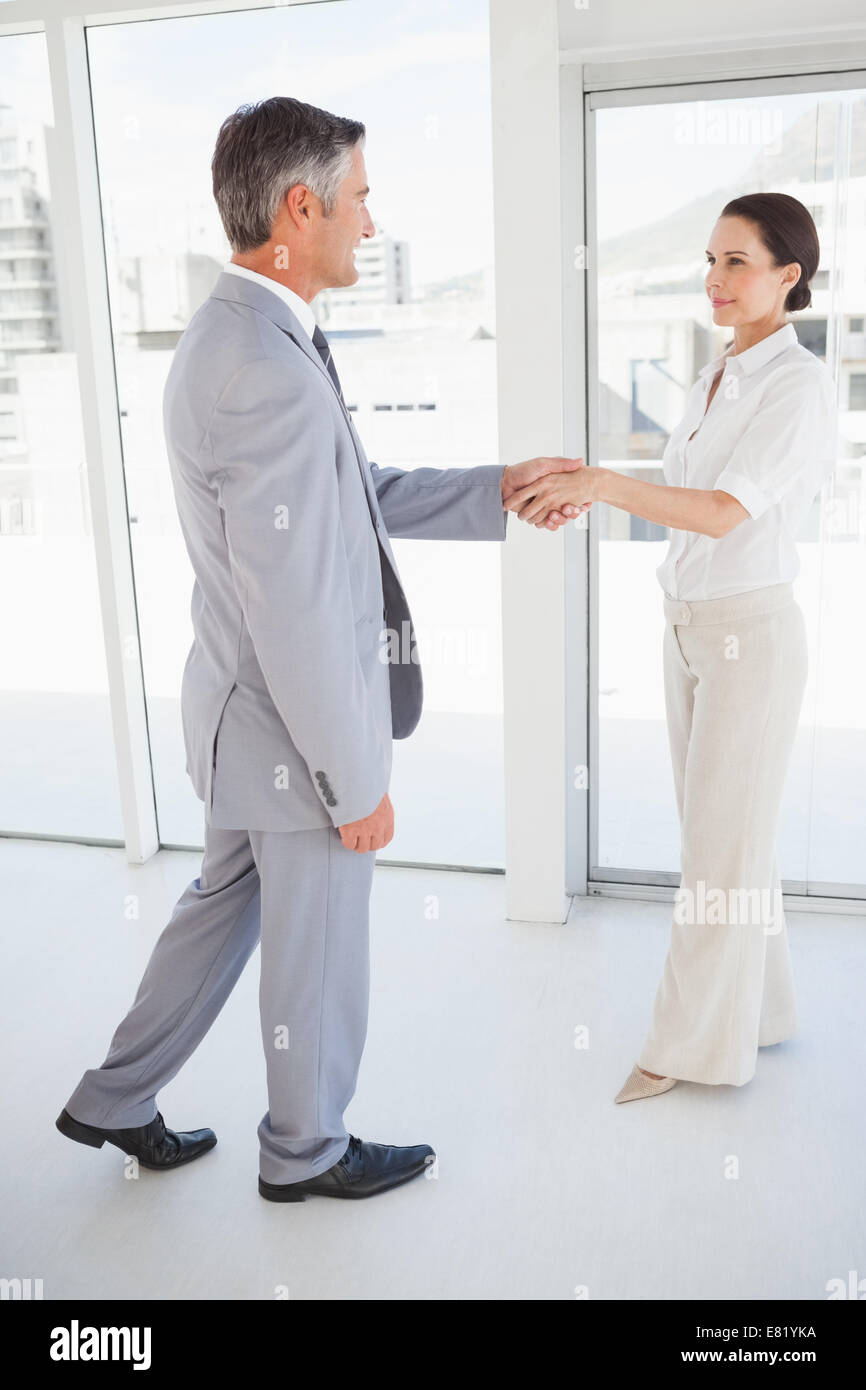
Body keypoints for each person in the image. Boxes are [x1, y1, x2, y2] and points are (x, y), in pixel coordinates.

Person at [55, 96, 584, 1199]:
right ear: (303, 206)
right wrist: (351, 785)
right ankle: (305, 1153)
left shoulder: (243, 334)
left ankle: (111, 1097)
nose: (371, 226)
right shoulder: (264, 364)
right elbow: (293, 602)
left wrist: (496, 490)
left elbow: (354, 496)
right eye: (362, 201)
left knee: (219, 915)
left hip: (241, 717)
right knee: (318, 949)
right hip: (294, 735)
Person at [505, 192, 838, 1102]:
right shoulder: (715, 375)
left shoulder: (797, 385)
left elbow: (727, 515)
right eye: (711, 259)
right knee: (727, 843)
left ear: (787, 276)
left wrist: (606, 484)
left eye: (737, 262)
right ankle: (759, 1014)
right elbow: (689, 492)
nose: (715, 279)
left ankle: (685, 1049)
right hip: (686, 628)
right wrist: (592, 485)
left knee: (717, 857)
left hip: (750, 638)